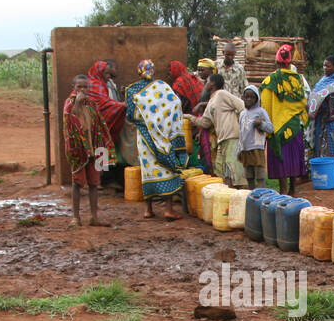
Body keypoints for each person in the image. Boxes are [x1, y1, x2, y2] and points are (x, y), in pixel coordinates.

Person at [124, 60, 187, 220]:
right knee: (167, 167)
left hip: (144, 137)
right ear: (153, 70)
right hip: (163, 135)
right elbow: (175, 103)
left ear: (139, 72)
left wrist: (147, 121)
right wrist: (162, 121)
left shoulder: (132, 90)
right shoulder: (162, 86)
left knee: (147, 170)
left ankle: (148, 210)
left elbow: (130, 115)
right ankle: (168, 209)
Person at [63, 74, 115, 227]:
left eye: (85, 87)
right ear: (74, 87)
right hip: (78, 150)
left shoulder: (92, 103)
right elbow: (69, 123)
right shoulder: (69, 104)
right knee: (77, 183)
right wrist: (78, 106)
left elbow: (100, 126)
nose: (82, 89)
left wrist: (103, 151)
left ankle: (94, 217)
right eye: (79, 86)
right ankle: (76, 218)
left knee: (95, 183)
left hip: (95, 147)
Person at [259, 44, 310, 193]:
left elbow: (265, 105)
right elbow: (304, 101)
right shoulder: (298, 79)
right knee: (294, 158)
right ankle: (292, 190)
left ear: (276, 62)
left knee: (281, 160)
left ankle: (283, 191)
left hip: (277, 126)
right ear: (290, 63)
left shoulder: (270, 81)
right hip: (294, 125)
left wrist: (267, 125)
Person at [189, 73, 245, 185]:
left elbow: (241, 106)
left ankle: (241, 195)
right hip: (222, 139)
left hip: (232, 137)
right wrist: (190, 117)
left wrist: (243, 124)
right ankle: (227, 195)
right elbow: (205, 122)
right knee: (220, 171)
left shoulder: (222, 94)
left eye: (208, 80)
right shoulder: (211, 100)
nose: (205, 83)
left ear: (213, 83)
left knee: (233, 170)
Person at [239, 85, 274, 188]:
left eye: (252, 97)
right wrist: (239, 150)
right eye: (247, 97)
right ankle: (252, 195)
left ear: (257, 99)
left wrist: (260, 124)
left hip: (256, 148)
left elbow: (270, 128)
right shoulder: (242, 114)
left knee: (260, 176)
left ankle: (262, 195)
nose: (249, 99)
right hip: (245, 149)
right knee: (249, 176)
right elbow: (241, 132)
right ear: (243, 98)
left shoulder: (260, 111)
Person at [87, 60, 127, 141]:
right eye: (106, 73)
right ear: (99, 73)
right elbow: (103, 104)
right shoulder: (94, 85)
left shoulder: (102, 84)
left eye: (110, 74)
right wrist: (122, 105)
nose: (109, 76)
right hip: (92, 123)